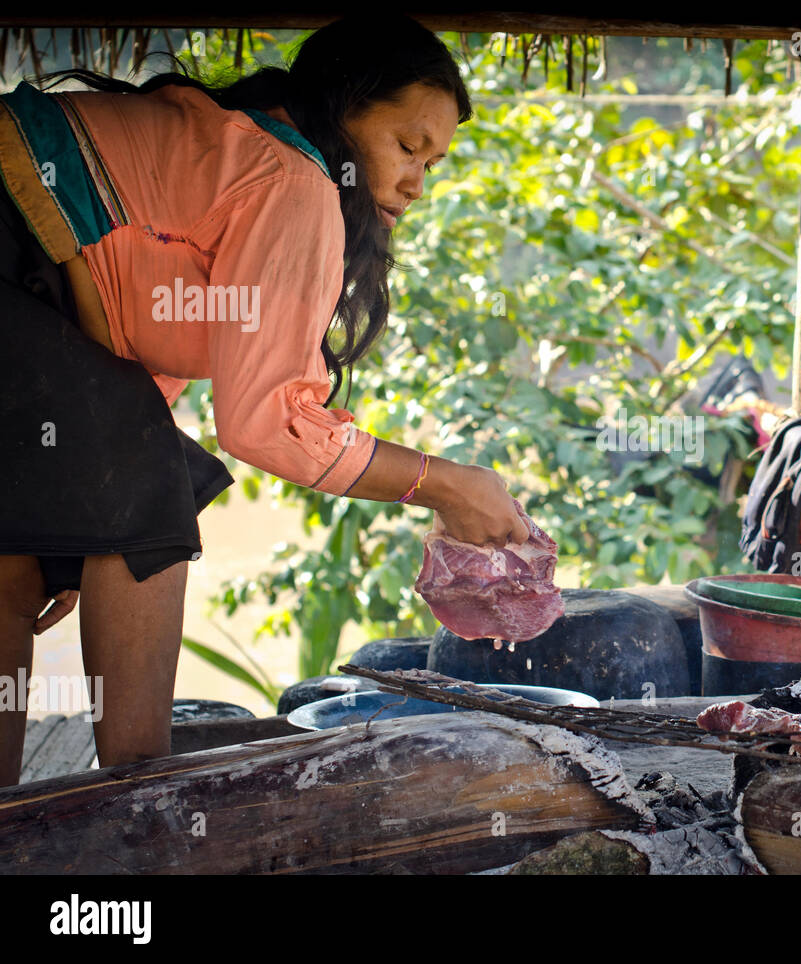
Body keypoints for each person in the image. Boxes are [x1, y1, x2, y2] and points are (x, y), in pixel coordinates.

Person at [0, 15, 530, 787]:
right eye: (408, 146)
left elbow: (127, 345)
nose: (418, 181)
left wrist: (73, 520)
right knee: (152, 482)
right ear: (344, 109)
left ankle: (15, 820)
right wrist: (444, 483)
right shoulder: (294, 180)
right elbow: (264, 422)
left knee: (23, 563)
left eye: (435, 162)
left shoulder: (245, 152)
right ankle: (139, 796)